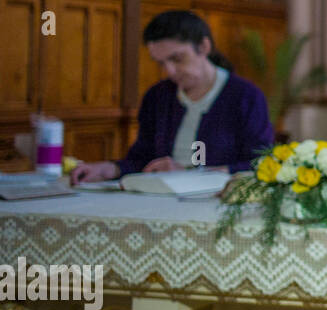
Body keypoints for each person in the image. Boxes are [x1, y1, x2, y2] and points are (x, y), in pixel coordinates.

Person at [69, 11, 274, 183]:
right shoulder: (158, 96)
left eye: (177, 59)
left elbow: (258, 164)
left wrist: (189, 173)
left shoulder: (246, 96)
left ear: (204, 47)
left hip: (214, 202)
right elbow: (143, 158)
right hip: (159, 196)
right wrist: (108, 169)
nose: (169, 71)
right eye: (161, 63)